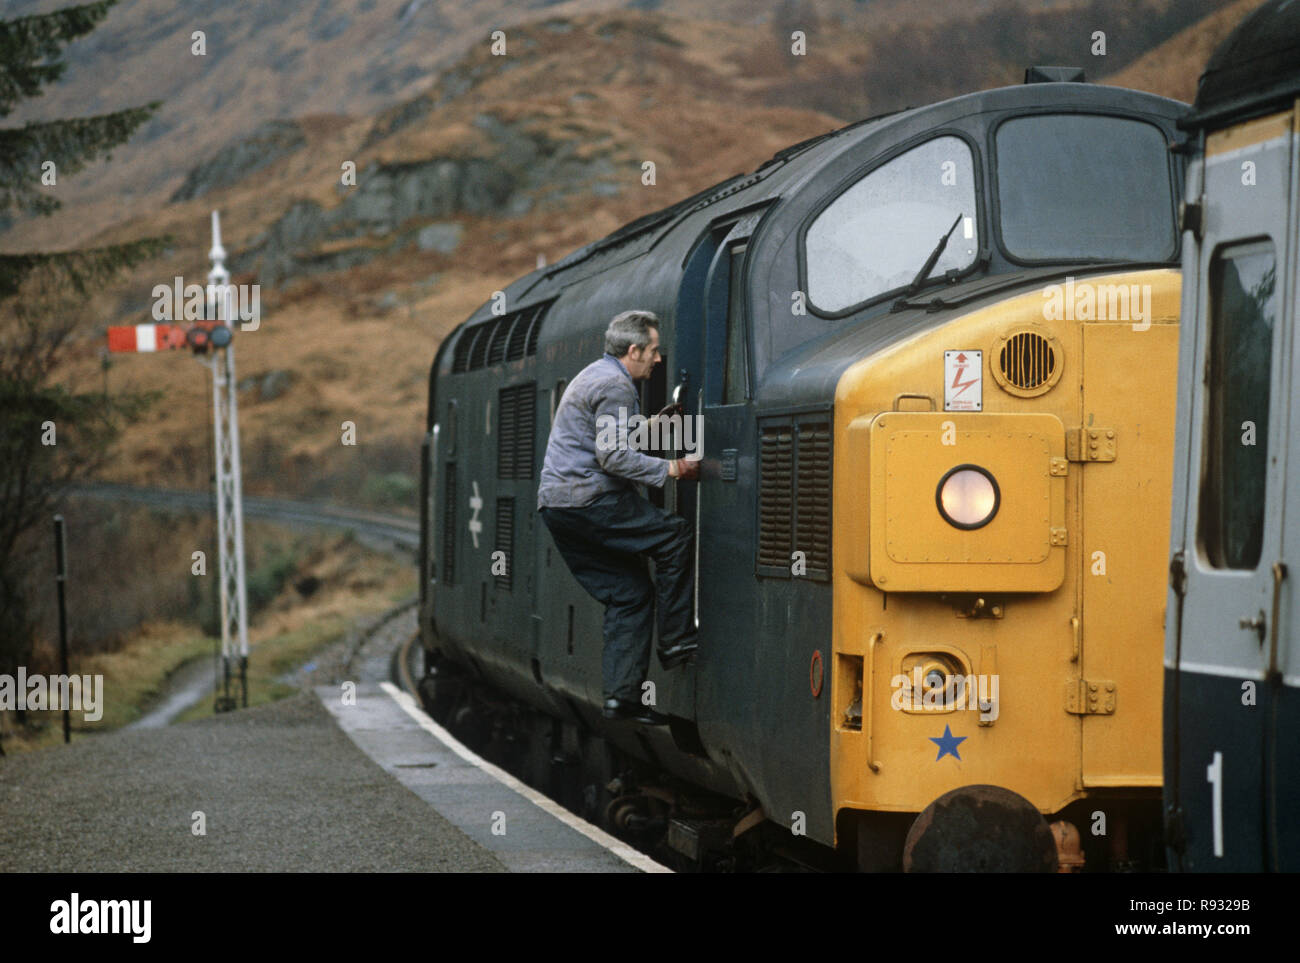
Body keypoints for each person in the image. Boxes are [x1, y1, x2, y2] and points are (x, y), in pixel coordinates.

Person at [537, 309, 700, 725]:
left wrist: (649, 428)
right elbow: (611, 456)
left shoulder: (594, 374)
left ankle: (622, 699)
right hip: (590, 500)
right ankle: (678, 641)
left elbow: (606, 437)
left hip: (559, 507)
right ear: (634, 350)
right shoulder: (616, 385)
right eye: (654, 351)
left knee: (629, 593)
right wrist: (671, 470)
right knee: (674, 536)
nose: (658, 360)